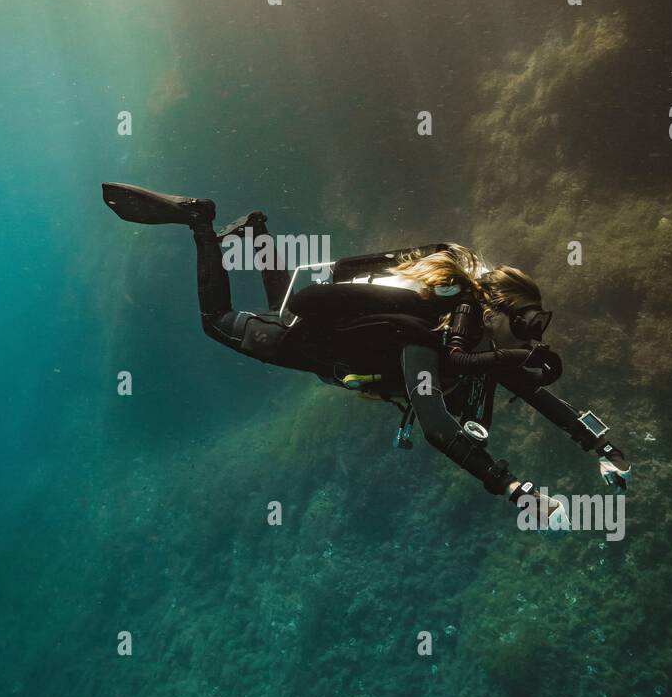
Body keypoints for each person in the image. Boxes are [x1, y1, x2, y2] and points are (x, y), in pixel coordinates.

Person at [102, 183, 632, 527]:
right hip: (299, 342)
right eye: (529, 325)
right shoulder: (423, 338)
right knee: (216, 322)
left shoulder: (466, 341)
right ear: (498, 311)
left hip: (321, 333)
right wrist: (517, 489)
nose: (530, 344)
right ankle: (199, 223)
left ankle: (257, 233)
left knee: (279, 298)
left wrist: (599, 444)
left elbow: (534, 392)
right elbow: (436, 427)